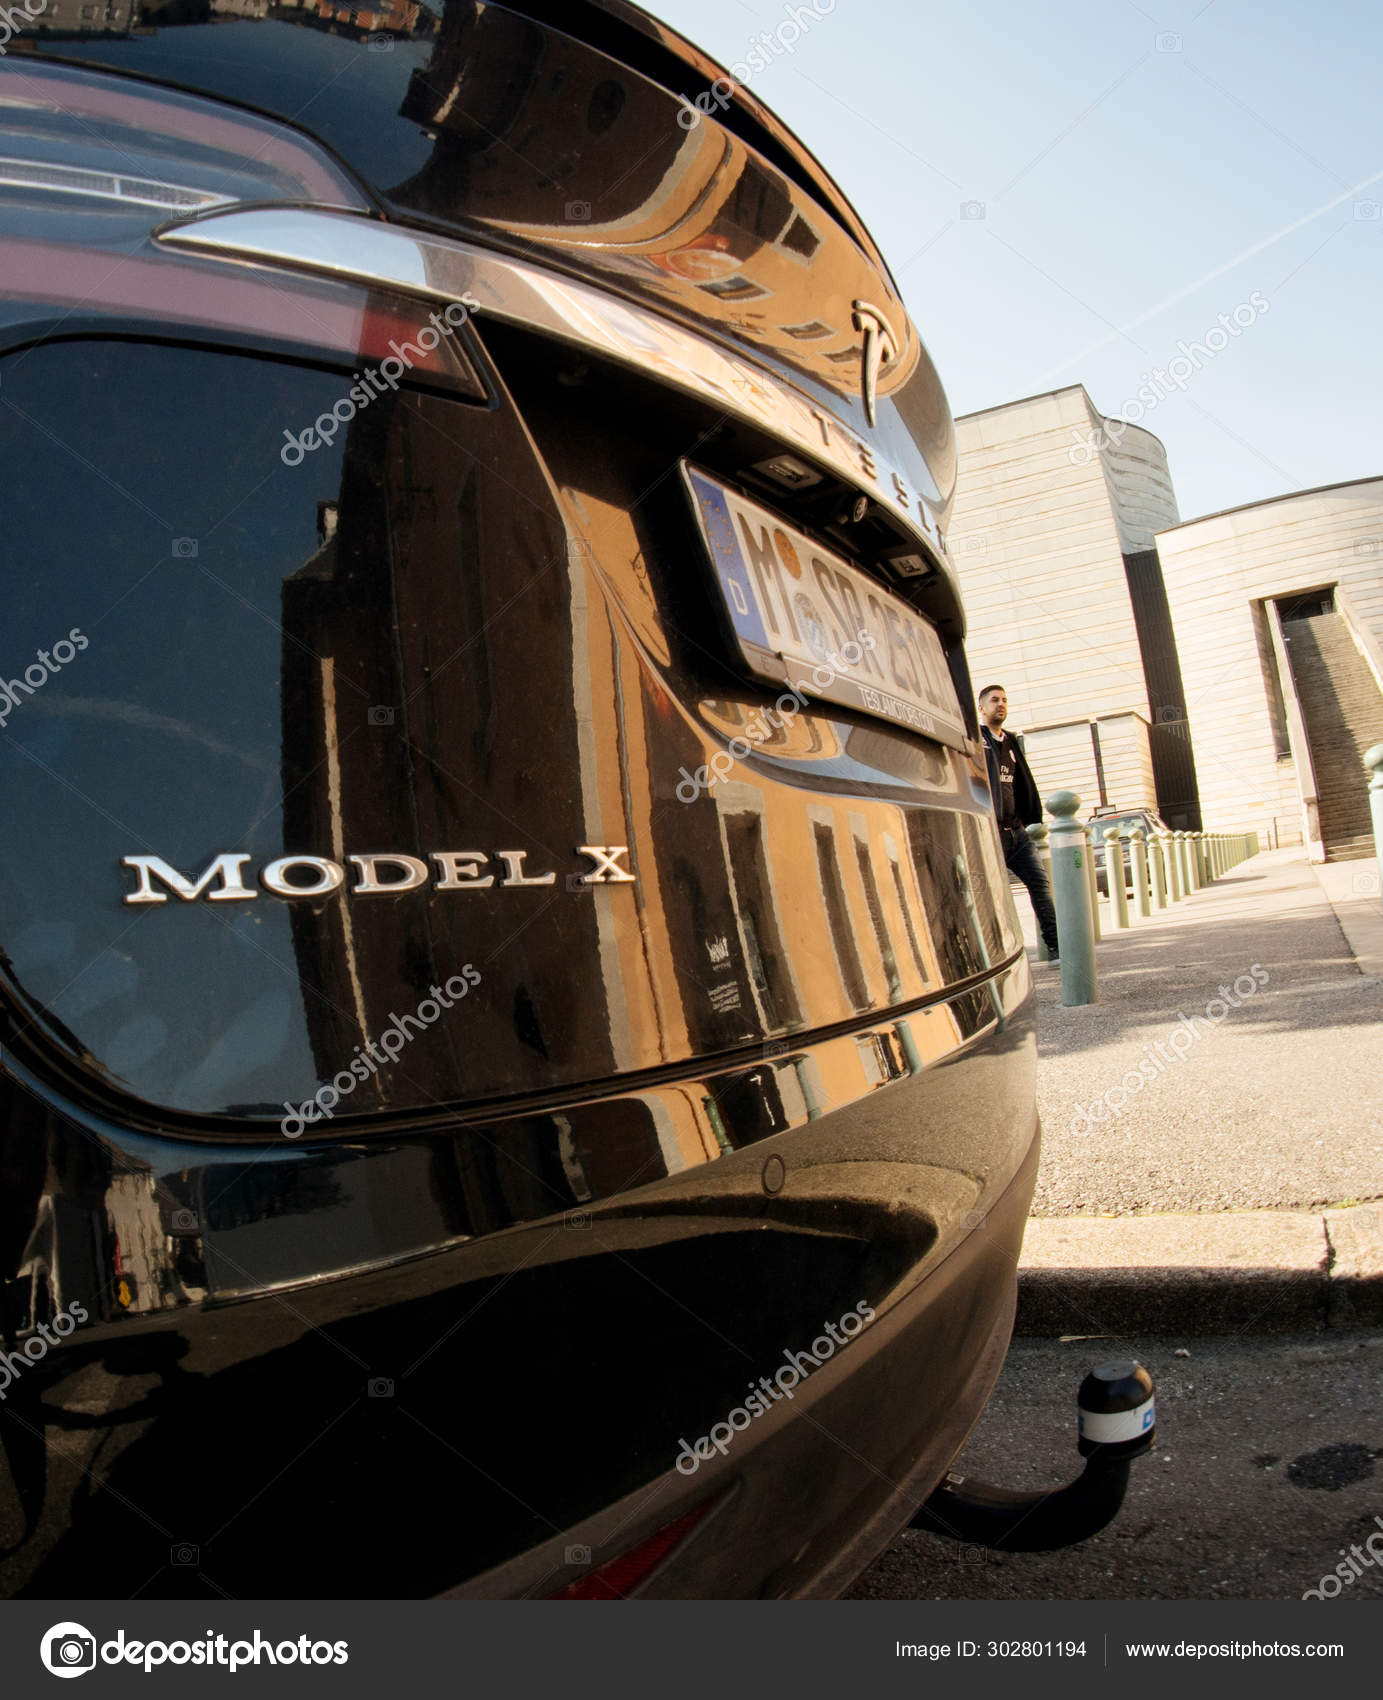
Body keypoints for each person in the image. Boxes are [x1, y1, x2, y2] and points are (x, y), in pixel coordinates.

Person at [978, 685, 1059, 963]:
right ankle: (997, 955)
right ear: (982, 708)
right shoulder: (978, 740)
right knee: (991, 896)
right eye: (994, 701)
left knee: (1040, 884)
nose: (1000, 705)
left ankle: (1056, 947)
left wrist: (1031, 819)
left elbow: (1022, 781)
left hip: (1018, 833)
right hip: (991, 833)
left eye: (1004, 701)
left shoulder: (1011, 741)